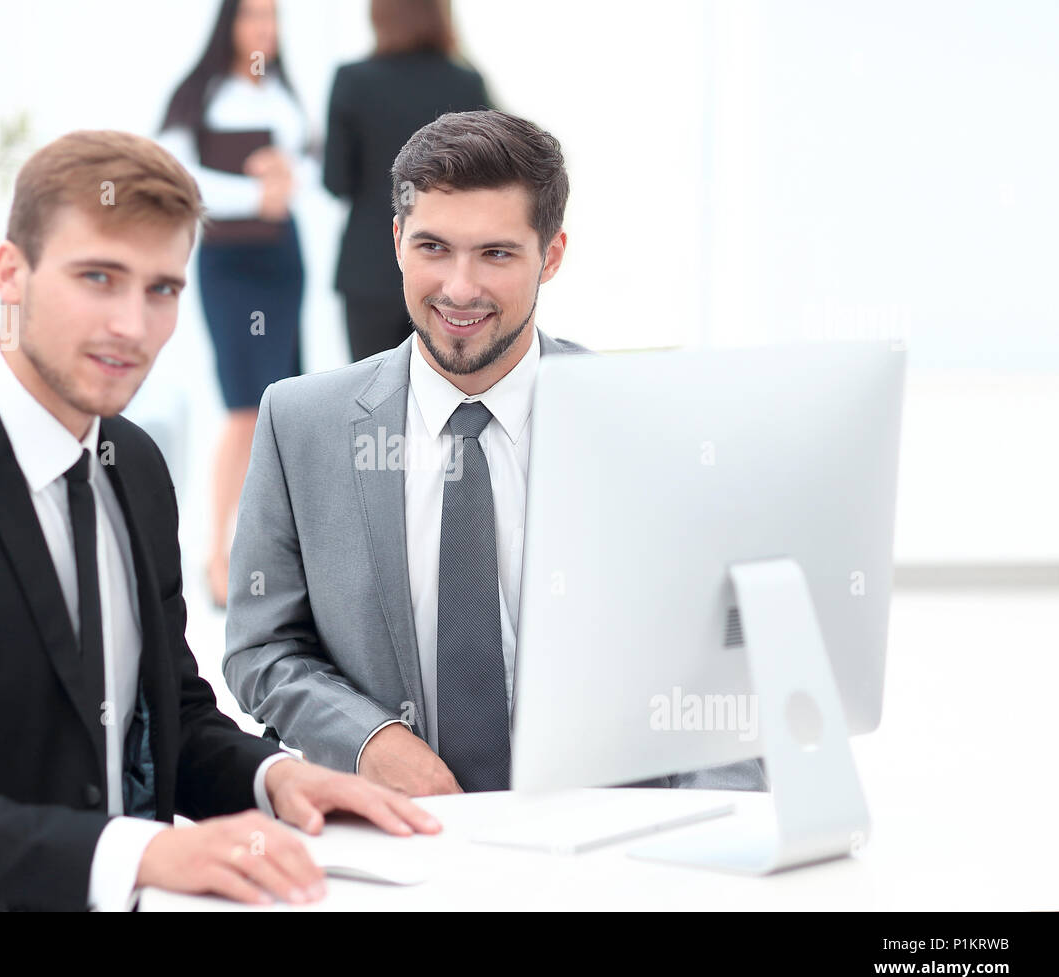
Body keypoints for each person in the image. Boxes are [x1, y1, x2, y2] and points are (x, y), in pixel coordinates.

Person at [0, 129, 437, 913]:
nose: (133, 324)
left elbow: (168, 716)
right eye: (99, 277)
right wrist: (146, 853)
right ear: (10, 274)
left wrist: (275, 778)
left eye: (161, 289)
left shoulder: (135, 465)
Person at [224, 110, 767, 796]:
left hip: (610, 844)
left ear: (554, 255)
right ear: (396, 241)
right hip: (400, 841)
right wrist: (369, 740)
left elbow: (717, 665)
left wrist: (720, 836)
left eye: (496, 254)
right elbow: (263, 648)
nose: (458, 288)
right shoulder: (301, 423)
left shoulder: (651, 422)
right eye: (433, 248)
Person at [158, 0, 316, 609]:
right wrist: (258, 192)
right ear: (229, 25)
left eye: (272, 18)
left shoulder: (284, 93)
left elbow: (303, 164)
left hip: (282, 262)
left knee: (282, 406)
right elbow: (179, 181)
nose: (264, 31)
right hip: (231, 264)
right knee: (245, 409)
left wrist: (284, 175)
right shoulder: (199, 96)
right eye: (254, 18)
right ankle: (217, 555)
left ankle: (274, 560)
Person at [324, 0, 490, 362]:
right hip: (448, 269)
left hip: (368, 268)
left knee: (370, 399)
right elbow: (485, 182)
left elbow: (335, 181)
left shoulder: (352, 80)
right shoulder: (466, 83)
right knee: (443, 394)